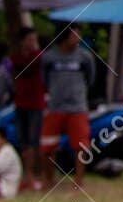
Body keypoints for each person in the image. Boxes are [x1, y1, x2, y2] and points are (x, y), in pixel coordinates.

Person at [40, 27, 95, 189]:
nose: (78, 37)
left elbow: (90, 78)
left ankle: (79, 180)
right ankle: (48, 180)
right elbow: (44, 79)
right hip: (55, 107)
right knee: (48, 145)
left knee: (80, 145)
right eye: (74, 34)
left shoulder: (85, 57)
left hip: (77, 106)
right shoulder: (49, 58)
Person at [8, 27, 44, 189]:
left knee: (33, 140)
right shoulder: (16, 58)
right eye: (28, 39)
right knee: (23, 140)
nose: (31, 43)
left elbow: (29, 64)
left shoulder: (38, 57)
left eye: (33, 39)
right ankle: (26, 174)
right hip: (20, 103)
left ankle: (33, 175)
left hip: (35, 104)